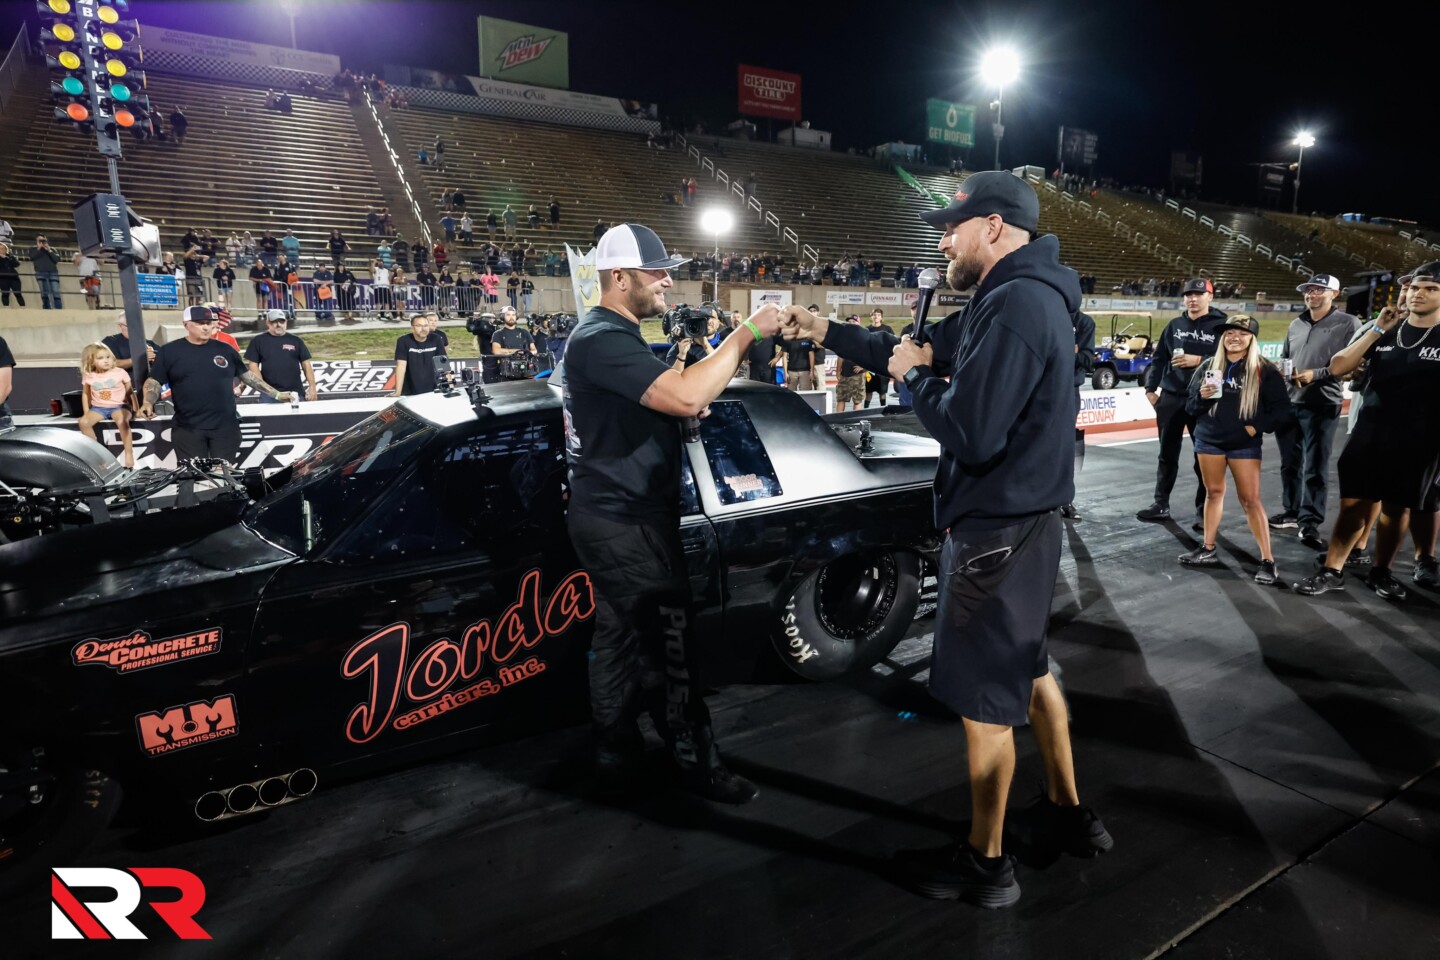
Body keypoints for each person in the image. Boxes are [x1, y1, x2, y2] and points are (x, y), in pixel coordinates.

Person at [781, 171, 1110, 907]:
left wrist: (912, 383)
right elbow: (919, 347)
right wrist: (826, 330)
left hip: (997, 531)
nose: (942, 239)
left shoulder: (1018, 303)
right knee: (1029, 671)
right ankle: (1066, 814)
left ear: (994, 227)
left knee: (984, 700)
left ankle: (985, 865)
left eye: (953, 226)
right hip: (1025, 525)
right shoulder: (1018, 294)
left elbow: (969, 428)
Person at [562, 222, 784, 805]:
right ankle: (698, 767)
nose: (668, 280)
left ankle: (616, 757)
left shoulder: (610, 334)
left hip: (610, 514)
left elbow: (662, 405)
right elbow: (687, 393)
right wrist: (746, 332)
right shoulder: (601, 336)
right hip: (625, 521)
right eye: (657, 271)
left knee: (616, 641)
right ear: (619, 277)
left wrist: (675, 415)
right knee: (672, 647)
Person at [1296, 261, 1440, 601]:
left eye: (1431, 289)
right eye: (1416, 287)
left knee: (1396, 510)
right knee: (1352, 505)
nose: (1418, 293)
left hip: (1420, 440)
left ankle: (1382, 571)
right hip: (1370, 430)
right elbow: (1339, 366)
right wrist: (1377, 328)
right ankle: (1332, 571)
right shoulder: (1388, 329)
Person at [1180, 315, 1292, 582]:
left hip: (1243, 444)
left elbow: (1284, 411)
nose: (1234, 338)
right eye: (1229, 333)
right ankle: (1208, 549)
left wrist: (1256, 427)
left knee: (1250, 500)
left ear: (1252, 338)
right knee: (1213, 493)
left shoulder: (1264, 370)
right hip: (1209, 440)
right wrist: (1202, 398)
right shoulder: (1211, 366)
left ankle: (1267, 560)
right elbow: (1191, 409)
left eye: (1241, 333)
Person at [1268, 275, 1361, 550]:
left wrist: (1315, 374)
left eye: (1319, 290)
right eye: (1308, 290)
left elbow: (1351, 364)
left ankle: (1310, 521)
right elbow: (1286, 357)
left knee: (1315, 467)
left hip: (1322, 403)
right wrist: (1281, 370)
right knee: (1289, 464)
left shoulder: (1348, 323)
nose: (1312, 294)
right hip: (1290, 402)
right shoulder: (1296, 323)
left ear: (1334, 293)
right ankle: (1292, 511)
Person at [140, 305, 292, 461]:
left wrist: (277, 395)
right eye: (200, 323)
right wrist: (147, 402)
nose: (206, 327)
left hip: (225, 428)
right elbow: (154, 380)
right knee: (191, 476)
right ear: (186, 324)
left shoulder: (226, 350)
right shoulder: (169, 351)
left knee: (224, 477)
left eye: (209, 322)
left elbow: (248, 377)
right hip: (188, 429)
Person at [1137, 278, 1227, 530]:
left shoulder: (1222, 326)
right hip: (1171, 397)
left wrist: (1198, 359)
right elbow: (1158, 358)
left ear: (1211, 296)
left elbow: (1229, 359)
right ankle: (1160, 504)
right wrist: (1150, 389)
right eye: (1188, 294)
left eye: (1199, 294)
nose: (1192, 299)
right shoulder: (1175, 324)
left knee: (1205, 458)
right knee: (1166, 455)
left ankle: (1204, 510)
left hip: (1206, 398)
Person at [78, 342, 137, 468]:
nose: (106, 361)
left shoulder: (120, 372)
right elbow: (86, 394)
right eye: (100, 358)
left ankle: (129, 453)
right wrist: (86, 412)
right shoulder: (89, 376)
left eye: (108, 357)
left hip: (120, 406)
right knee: (84, 422)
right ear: (91, 361)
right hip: (99, 408)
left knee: (122, 421)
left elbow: (130, 392)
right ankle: (98, 455)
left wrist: (135, 410)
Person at [1062, 309, 1096, 521]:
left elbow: (1086, 359)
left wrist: (1062, 351)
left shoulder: (1084, 322)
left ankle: (1065, 499)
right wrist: (1069, 350)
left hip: (1067, 391)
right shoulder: (1045, 312)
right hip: (1038, 389)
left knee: (1066, 448)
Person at [245, 310, 317, 402]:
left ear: (286, 322)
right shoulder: (258, 341)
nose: (278, 324)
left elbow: (306, 364)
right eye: (274, 321)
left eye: (281, 321)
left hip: (295, 392)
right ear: (268, 323)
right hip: (270, 396)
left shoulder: (296, 340)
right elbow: (253, 365)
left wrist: (312, 387)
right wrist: (266, 389)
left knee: (298, 417)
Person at [392, 313, 447, 396]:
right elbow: (401, 366)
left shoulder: (436, 339)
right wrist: (398, 392)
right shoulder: (403, 341)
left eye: (425, 326)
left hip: (433, 390)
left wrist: (449, 386)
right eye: (419, 326)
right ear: (412, 328)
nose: (423, 329)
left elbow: (443, 365)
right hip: (410, 391)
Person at [833, 315, 866, 411]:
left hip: (857, 376)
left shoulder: (863, 337)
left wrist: (864, 367)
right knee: (840, 399)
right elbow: (840, 356)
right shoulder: (843, 339)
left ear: (858, 323)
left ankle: (856, 422)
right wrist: (838, 371)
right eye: (849, 321)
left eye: (853, 321)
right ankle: (838, 422)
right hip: (844, 375)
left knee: (857, 400)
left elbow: (871, 355)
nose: (850, 323)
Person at [29, 235, 62, 309]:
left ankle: (58, 308)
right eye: (39, 241)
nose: (42, 242)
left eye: (43, 240)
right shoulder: (33, 249)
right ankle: (47, 308)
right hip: (40, 272)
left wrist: (49, 250)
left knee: (55, 291)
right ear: (36, 242)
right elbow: (32, 257)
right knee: (44, 292)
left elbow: (56, 259)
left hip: (53, 272)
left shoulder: (52, 249)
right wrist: (38, 248)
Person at [0, 242, 24, 306]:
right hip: (3, 278)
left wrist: (6, 258)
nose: (1, 250)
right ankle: (6, 308)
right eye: (0, 249)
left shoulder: (11, 257)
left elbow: (17, 264)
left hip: (14, 277)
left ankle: (23, 307)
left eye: (3, 249)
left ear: (6, 250)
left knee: (18, 293)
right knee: (5, 294)